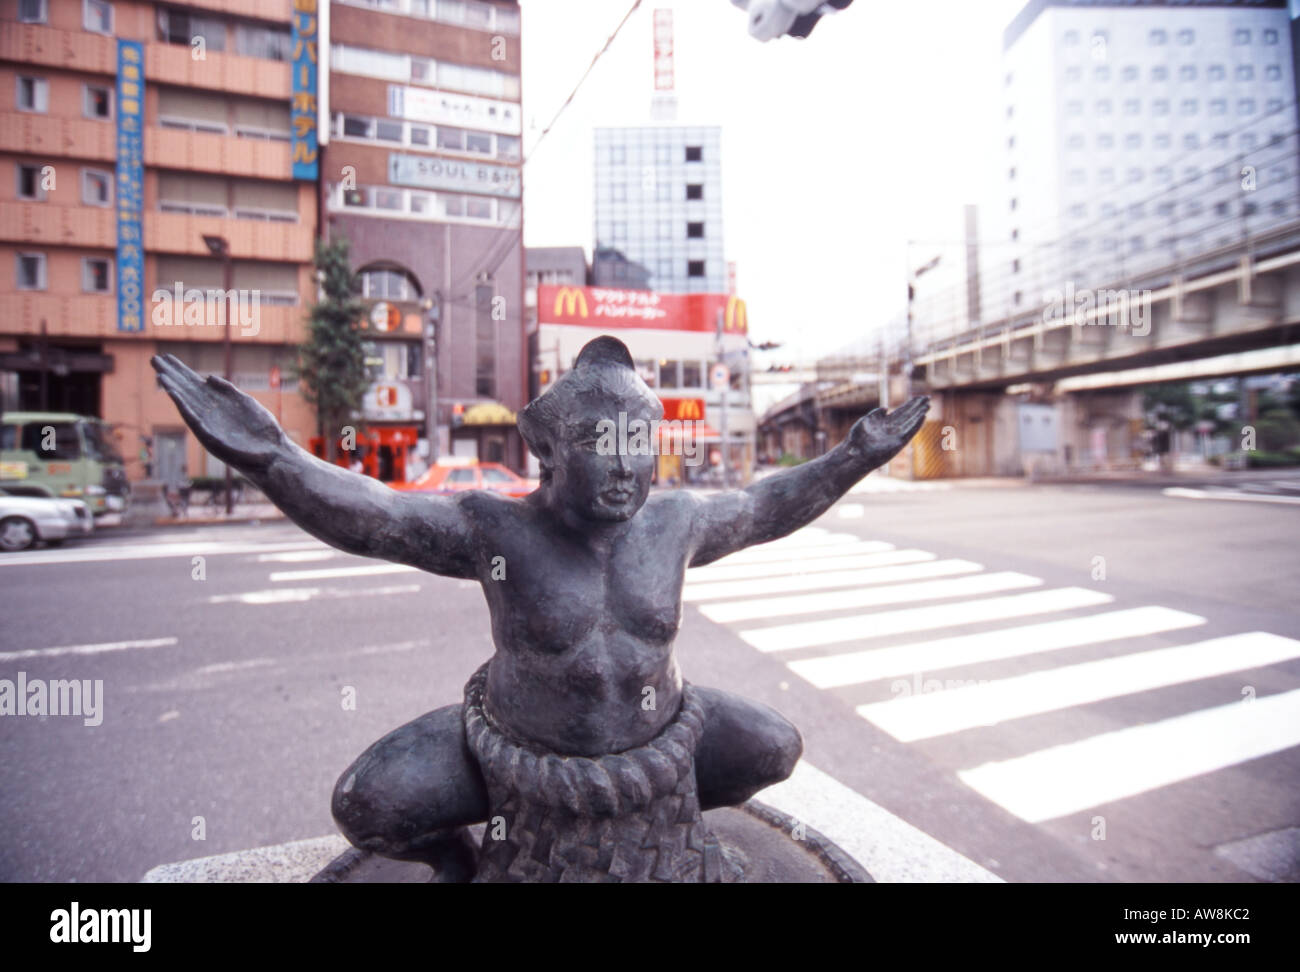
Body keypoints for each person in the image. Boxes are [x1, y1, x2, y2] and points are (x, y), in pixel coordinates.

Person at [151, 336, 928, 877]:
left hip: (661, 739)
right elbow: (375, 515)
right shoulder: (492, 526)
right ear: (551, 450)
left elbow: (766, 505)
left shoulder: (676, 522)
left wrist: (854, 456)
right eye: (601, 441)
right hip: (519, 754)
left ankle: (668, 826)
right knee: (370, 806)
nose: (626, 466)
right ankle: (462, 862)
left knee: (773, 749)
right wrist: (271, 458)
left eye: (640, 441)